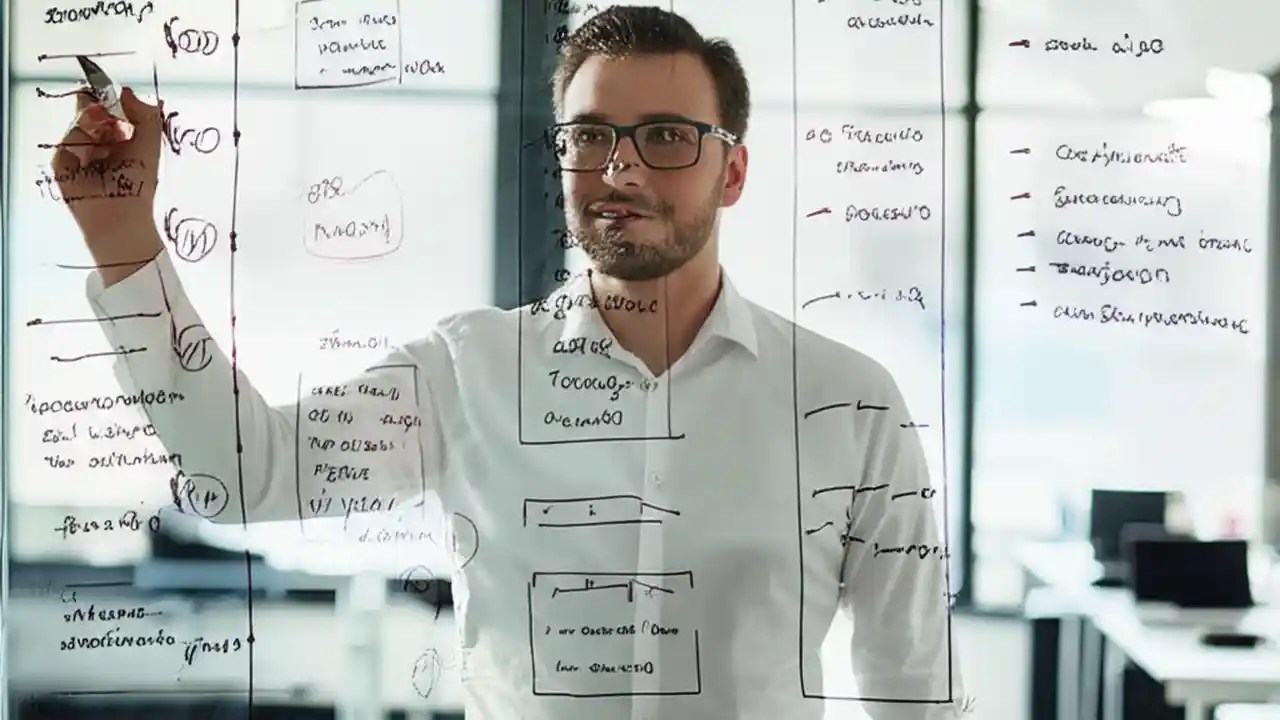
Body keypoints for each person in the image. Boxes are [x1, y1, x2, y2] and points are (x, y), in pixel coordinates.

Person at [54, 5, 964, 719]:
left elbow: (912, 687)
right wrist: (123, 242)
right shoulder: (469, 372)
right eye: (591, 136)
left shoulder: (852, 404)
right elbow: (246, 476)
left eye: (668, 136)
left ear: (733, 172)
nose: (621, 169)